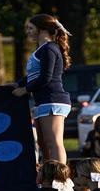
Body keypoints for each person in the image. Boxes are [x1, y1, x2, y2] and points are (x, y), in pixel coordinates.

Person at [12, 14, 72, 164]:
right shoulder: (41, 49)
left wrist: (24, 90)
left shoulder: (50, 48)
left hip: (53, 101)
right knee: (44, 145)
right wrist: (17, 84)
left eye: (31, 28)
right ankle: (48, 176)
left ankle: (60, 180)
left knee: (54, 143)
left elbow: (46, 77)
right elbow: (33, 75)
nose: (28, 31)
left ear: (42, 29)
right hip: (43, 101)